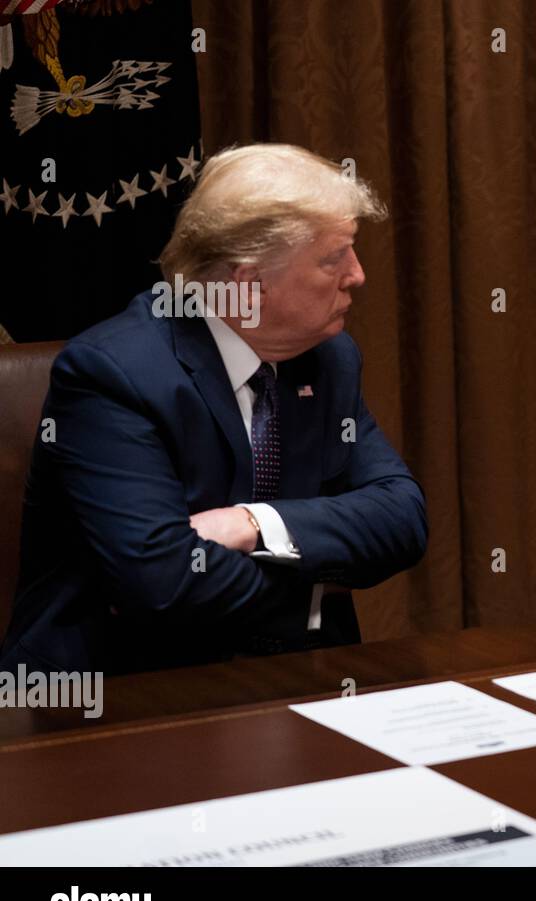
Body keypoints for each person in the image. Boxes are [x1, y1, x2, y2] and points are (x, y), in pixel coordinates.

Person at [0, 144, 428, 674]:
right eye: (333, 257)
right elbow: (164, 584)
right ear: (249, 285)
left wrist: (252, 523)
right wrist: (319, 585)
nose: (357, 275)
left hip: (292, 683)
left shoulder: (328, 358)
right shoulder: (113, 375)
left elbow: (403, 517)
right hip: (120, 695)